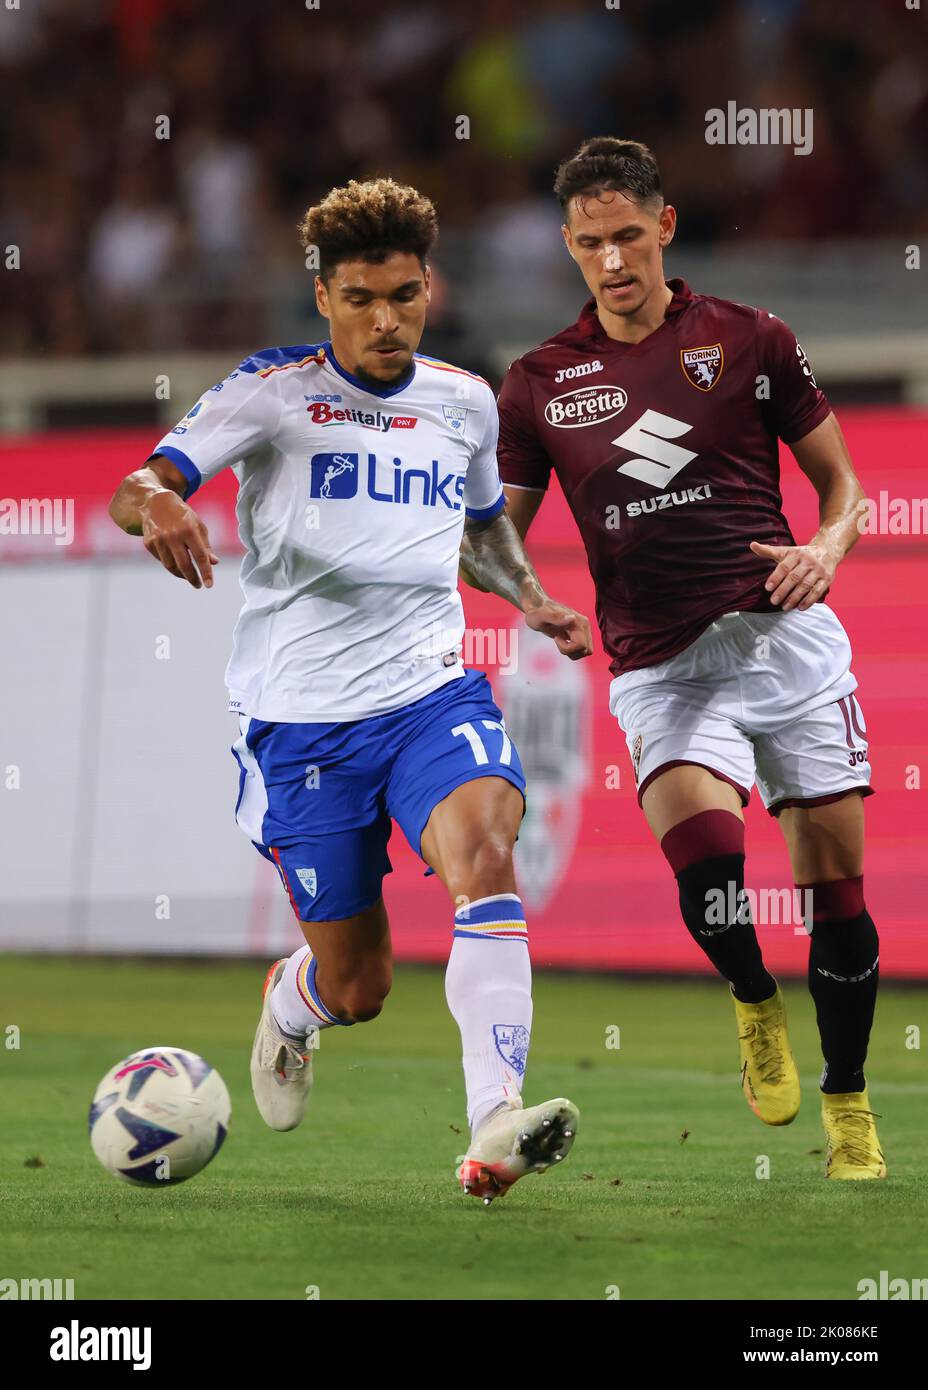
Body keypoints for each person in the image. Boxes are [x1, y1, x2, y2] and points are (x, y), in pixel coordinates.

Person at [109, 177, 594, 1203]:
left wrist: (530, 595)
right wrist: (157, 506)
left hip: (430, 696)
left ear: (429, 289)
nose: (388, 319)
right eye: (365, 297)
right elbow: (141, 480)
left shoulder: (464, 403)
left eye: (406, 296)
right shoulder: (271, 390)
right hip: (302, 726)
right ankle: (293, 1006)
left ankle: (492, 1120)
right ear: (323, 296)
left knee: (487, 850)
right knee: (358, 985)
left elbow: (476, 532)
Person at [494, 138, 883, 1179]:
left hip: (787, 641)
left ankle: (847, 1107)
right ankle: (754, 998)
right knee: (709, 869)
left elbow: (844, 486)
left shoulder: (751, 339)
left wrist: (824, 547)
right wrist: (530, 600)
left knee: (834, 892)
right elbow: (494, 537)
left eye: (627, 235)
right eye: (589, 244)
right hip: (661, 665)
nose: (612, 260)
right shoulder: (537, 383)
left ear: (664, 227)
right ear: (569, 249)